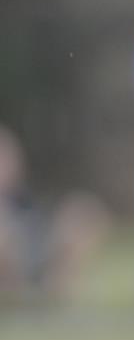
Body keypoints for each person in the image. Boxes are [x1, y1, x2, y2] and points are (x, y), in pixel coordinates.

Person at [0, 124, 108, 306]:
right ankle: (19, 299)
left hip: (36, 253)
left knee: (83, 210)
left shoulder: (23, 199)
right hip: (11, 267)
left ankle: (54, 293)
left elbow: (39, 225)